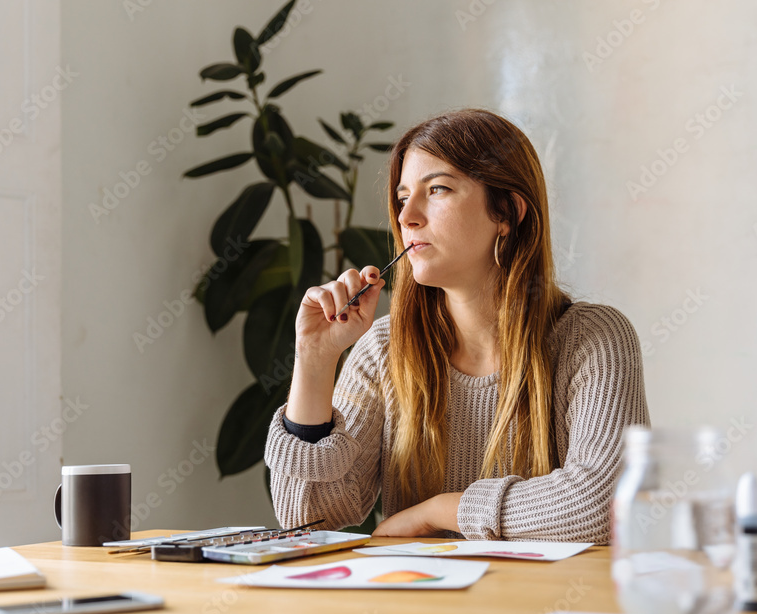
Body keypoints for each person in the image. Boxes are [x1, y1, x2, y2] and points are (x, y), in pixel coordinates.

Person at [264, 108, 649, 542]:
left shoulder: (594, 339)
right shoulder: (384, 348)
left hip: (550, 609)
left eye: (438, 189)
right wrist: (315, 361)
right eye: (403, 196)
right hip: (419, 607)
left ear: (507, 213)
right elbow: (308, 518)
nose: (407, 217)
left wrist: (438, 512)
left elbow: (603, 506)